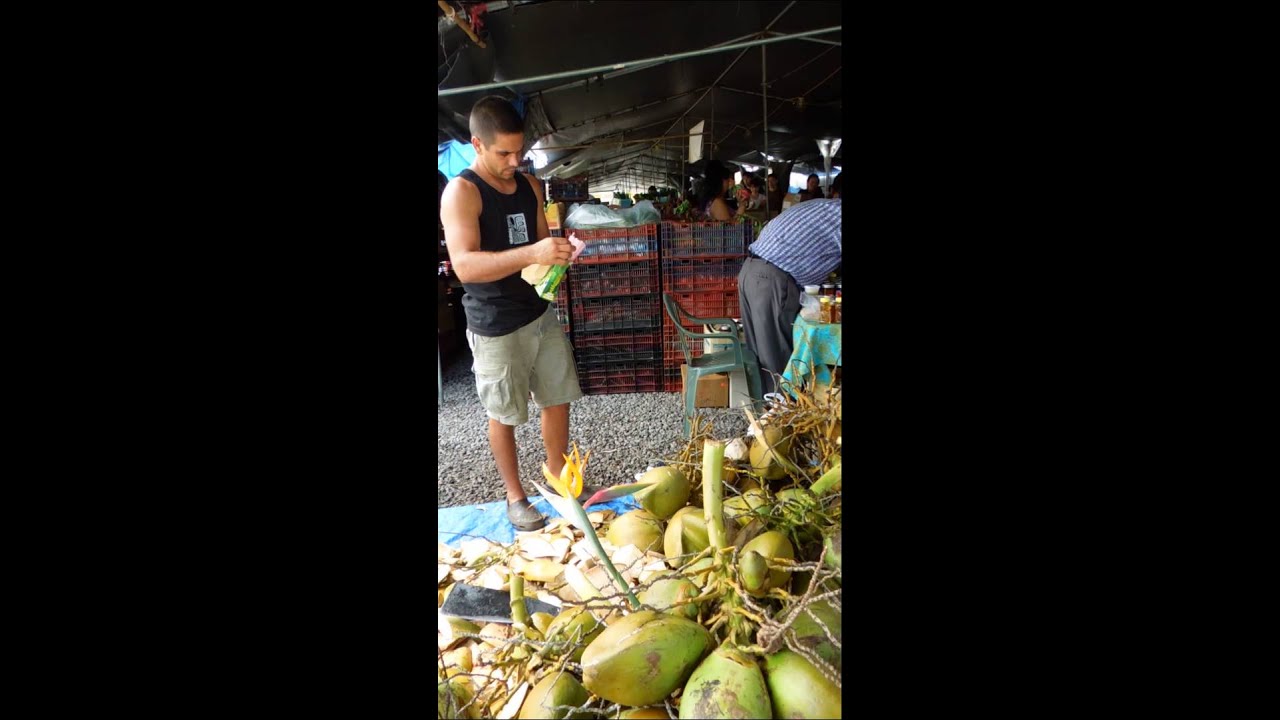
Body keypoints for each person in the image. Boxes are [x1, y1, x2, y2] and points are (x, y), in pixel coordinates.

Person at [440, 95, 585, 532]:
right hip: (495, 323)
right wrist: (534, 251)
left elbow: (541, 250)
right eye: (504, 152)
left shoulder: (530, 186)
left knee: (557, 398)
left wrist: (558, 254)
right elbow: (465, 266)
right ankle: (515, 496)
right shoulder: (462, 192)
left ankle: (560, 480)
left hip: (538, 313)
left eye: (519, 150)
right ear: (477, 145)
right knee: (504, 413)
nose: (514, 160)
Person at [736, 196, 842, 396]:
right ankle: (781, 418)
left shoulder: (824, 207)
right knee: (778, 361)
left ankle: (765, 414)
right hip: (772, 279)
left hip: (751, 271)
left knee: (761, 356)